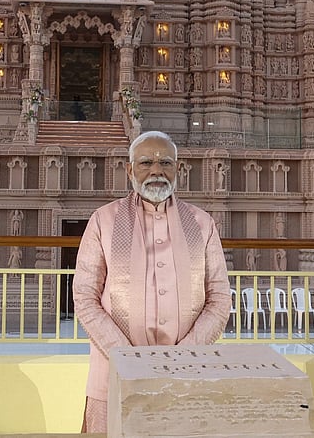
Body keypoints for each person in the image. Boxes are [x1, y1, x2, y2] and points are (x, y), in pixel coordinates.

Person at [73, 131, 231, 433]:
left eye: (166, 163)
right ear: (130, 170)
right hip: (115, 366)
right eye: (146, 162)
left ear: (178, 170)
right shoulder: (103, 220)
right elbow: (84, 296)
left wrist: (185, 353)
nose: (156, 170)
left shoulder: (202, 223)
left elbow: (220, 298)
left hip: (187, 368)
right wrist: (124, 354)